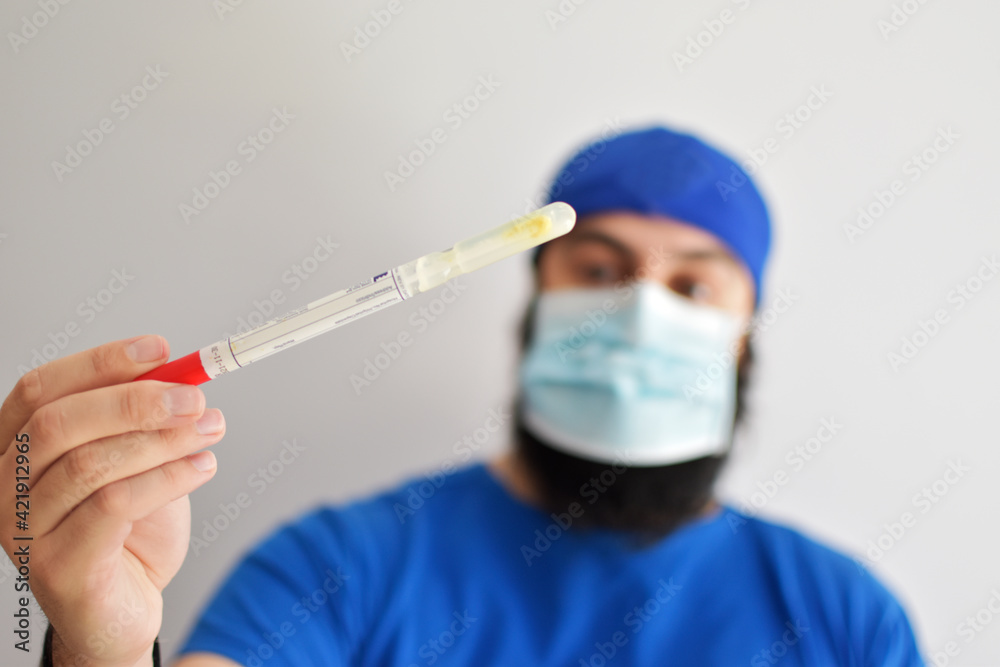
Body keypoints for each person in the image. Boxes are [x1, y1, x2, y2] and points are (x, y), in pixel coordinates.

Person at [0, 126, 925, 666]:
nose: (642, 311)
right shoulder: (344, 567)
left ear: (748, 332)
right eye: (599, 270)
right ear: (536, 299)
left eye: (693, 286)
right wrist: (98, 641)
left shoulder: (843, 617)